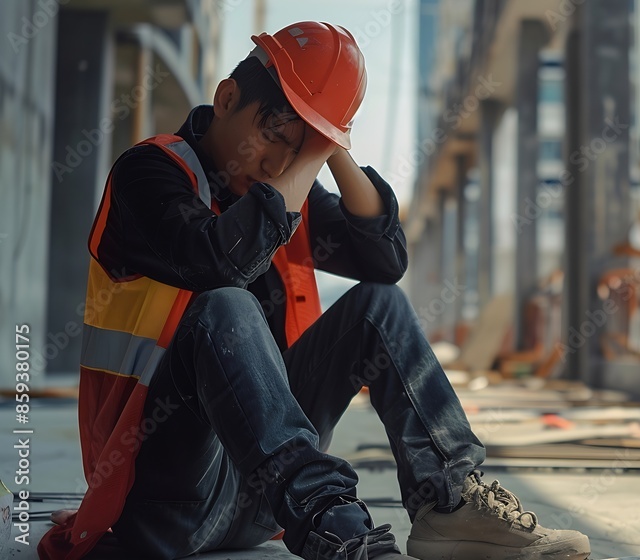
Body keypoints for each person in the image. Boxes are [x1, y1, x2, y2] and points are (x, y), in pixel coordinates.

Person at [37, 21, 590, 560]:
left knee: (379, 306)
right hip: (166, 502)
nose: (278, 164)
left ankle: (449, 506)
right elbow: (218, 263)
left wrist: (330, 145)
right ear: (227, 98)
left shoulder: (283, 188)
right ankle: (338, 530)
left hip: (261, 505)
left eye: (302, 152)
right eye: (275, 135)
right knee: (227, 304)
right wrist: (306, 151)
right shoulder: (148, 174)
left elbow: (384, 262)